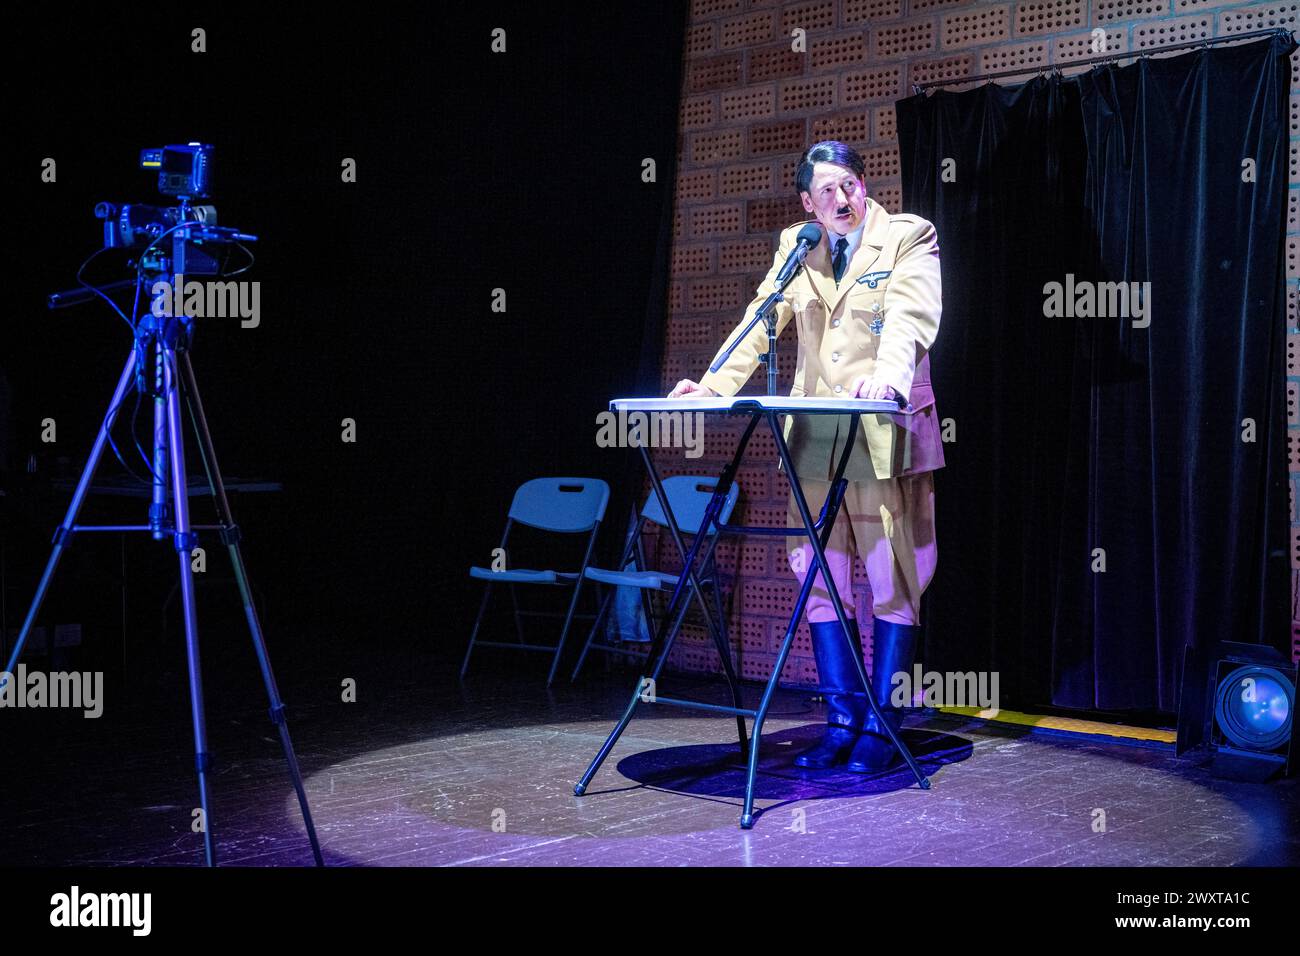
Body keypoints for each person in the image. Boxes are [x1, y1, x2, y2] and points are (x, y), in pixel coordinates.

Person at [668, 140, 944, 772]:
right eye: (826, 192)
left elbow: (911, 316)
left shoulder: (908, 235)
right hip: (817, 438)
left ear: (863, 184)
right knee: (819, 574)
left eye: (848, 185)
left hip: (883, 428)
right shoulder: (800, 246)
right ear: (808, 203)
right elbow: (760, 320)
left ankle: (883, 724)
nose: (841, 199)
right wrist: (711, 387)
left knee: (889, 577)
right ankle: (842, 719)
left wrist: (891, 379)